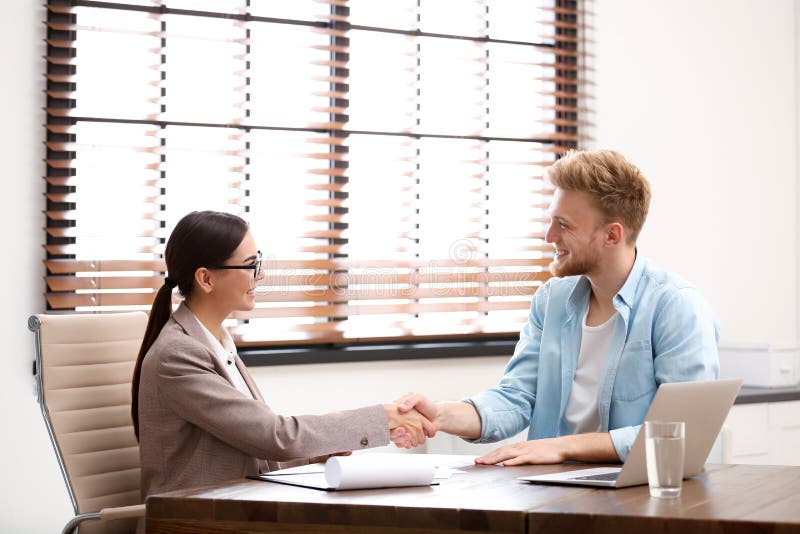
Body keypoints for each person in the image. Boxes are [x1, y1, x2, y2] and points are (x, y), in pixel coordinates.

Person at [397, 149, 719, 466]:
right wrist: (439, 415)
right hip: (552, 492)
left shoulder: (677, 306)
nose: (549, 235)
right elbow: (517, 398)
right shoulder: (551, 299)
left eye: (563, 224)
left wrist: (565, 447)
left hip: (638, 497)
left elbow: (684, 433)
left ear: (612, 235)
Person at [131, 210, 434, 504]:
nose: (259, 276)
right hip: (190, 517)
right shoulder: (179, 354)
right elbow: (276, 436)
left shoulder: (214, 343)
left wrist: (315, 453)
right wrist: (384, 416)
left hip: (232, 504)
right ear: (206, 279)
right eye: (250, 266)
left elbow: (254, 446)